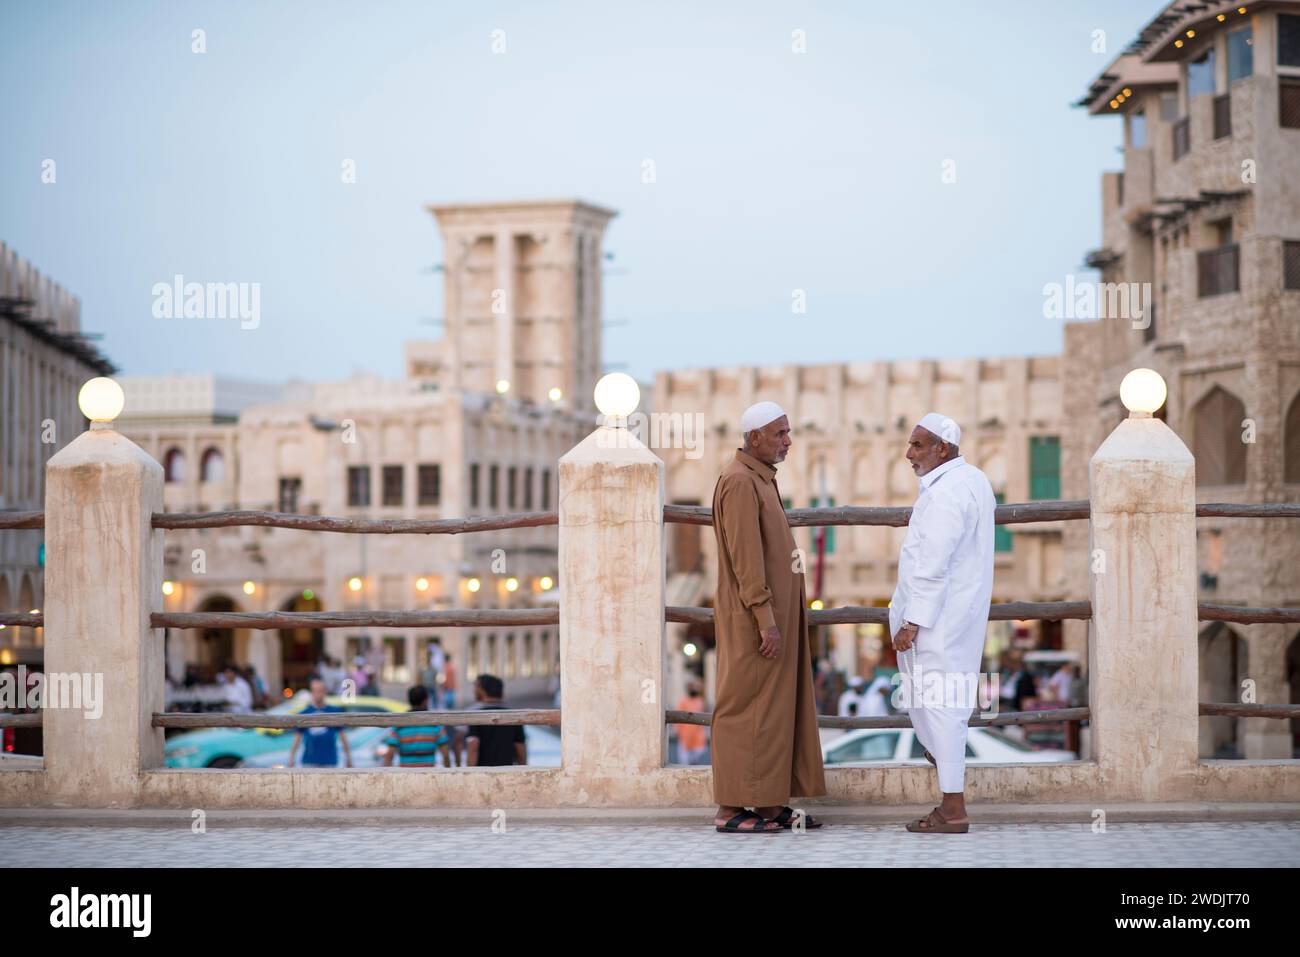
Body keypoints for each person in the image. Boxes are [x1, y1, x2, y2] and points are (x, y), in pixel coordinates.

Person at [710, 401, 826, 834]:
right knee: (745, 709)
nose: (787, 441)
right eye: (780, 434)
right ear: (754, 437)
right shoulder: (740, 482)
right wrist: (765, 619)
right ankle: (729, 809)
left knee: (773, 711)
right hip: (755, 623)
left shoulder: (759, 479)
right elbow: (747, 560)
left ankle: (769, 804)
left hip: (770, 620)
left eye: (788, 432)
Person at [889, 412, 994, 835]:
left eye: (917, 445)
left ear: (942, 449)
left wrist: (911, 622)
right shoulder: (973, 480)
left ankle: (953, 810)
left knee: (941, 709)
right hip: (956, 617)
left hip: (937, 622)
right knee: (942, 706)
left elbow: (933, 563)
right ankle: (949, 796)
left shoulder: (948, 492)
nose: (908, 453)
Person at [382, 685, 452, 767]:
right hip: (428, 776)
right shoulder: (435, 725)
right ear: (426, 700)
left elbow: (389, 756)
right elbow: (446, 755)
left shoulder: (400, 725)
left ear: (409, 700)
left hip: (405, 776)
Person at [289, 677, 352, 768]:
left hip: (330, 760)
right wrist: (292, 758)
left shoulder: (334, 712)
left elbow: (343, 737)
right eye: (316, 691)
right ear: (312, 692)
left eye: (321, 691)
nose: (318, 694)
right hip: (309, 760)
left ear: (325, 692)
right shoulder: (305, 713)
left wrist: (348, 758)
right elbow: (297, 738)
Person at [465, 674, 526, 767]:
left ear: (482, 690)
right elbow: (520, 746)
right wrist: (523, 769)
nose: (474, 690)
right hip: (507, 771)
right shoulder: (513, 715)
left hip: (483, 772)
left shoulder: (476, 714)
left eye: (476, 686)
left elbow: (473, 745)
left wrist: (469, 773)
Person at [674, 681, 709, 765]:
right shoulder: (683, 701)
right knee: (684, 758)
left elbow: (704, 713)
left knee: (698, 752)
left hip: (698, 734)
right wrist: (677, 730)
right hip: (685, 733)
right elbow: (677, 716)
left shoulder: (700, 701)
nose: (693, 689)